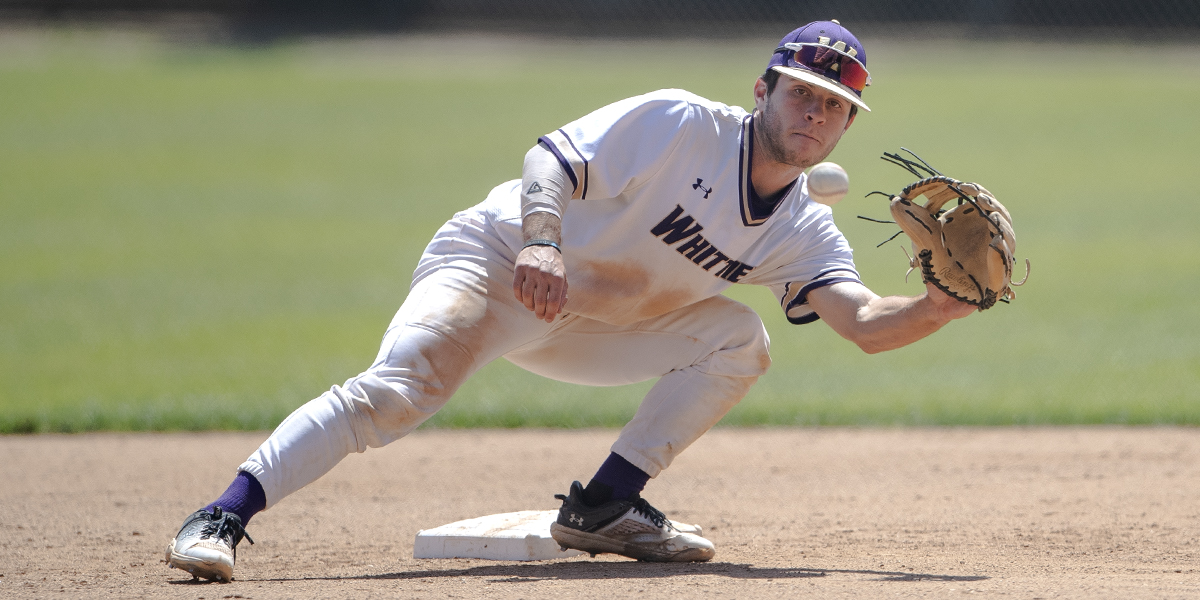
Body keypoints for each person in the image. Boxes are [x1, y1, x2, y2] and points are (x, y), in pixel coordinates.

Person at [165, 19, 975, 581]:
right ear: (762, 89)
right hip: (498, 261)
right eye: (802, 92)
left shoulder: (800, 228)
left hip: (593, 324)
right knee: (397, 393)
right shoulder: (681, 124)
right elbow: (546, 161)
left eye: (835, 107)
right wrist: (543, 238)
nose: (816, 112)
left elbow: (865, 325)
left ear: (846, 128)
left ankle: (606, 506)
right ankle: (221, 518)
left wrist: (940, 305)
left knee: (740, 338)